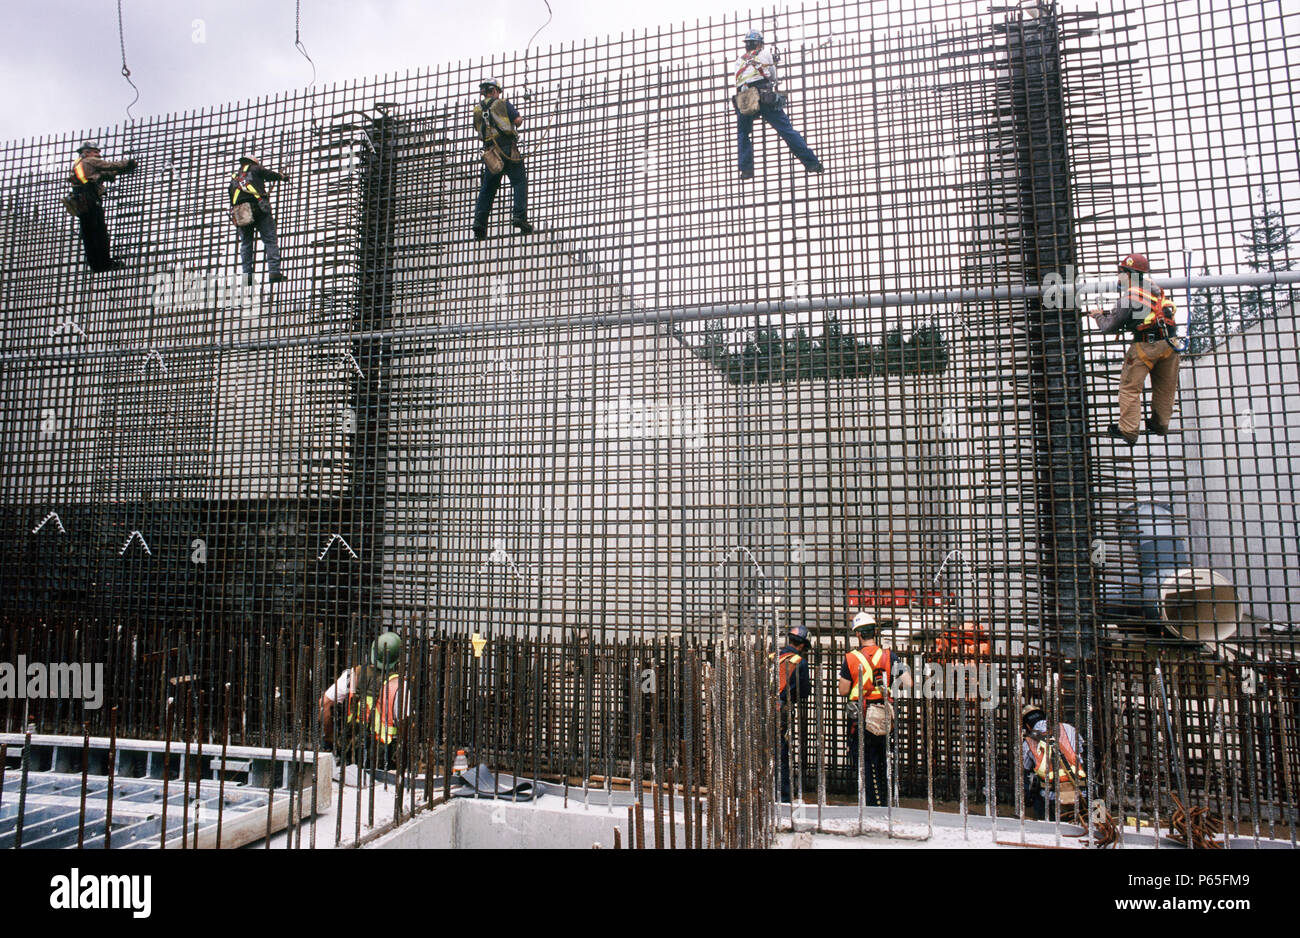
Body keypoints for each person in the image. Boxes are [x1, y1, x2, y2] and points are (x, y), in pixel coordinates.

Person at [1090, 252, 1181, 445]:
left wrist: (1098, 315)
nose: (1118, 278)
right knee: (1165, 387)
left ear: (1129, 274)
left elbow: (1109, 327)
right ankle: (1160, 424)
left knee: (1129, 388)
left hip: (1146, 345)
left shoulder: (1131, 296)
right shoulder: (1155, 291)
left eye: (1121, 273)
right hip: (1171, 344)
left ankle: (1129, 431)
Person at [838, 611, 911, 805]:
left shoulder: (851, 658)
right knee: (882, 761)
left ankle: (871, 804)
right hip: (884, 715)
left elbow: (843, 690)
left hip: (861, 717)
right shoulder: (889, 655)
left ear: (858, 634)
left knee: (864, 762)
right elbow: (909, 682)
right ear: (874, 632)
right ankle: (884, 802)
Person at [732, 30, 822, 179]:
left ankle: (746, 169)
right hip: (764, 97)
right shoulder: (765, 54)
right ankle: (812, 163)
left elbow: (738, 82)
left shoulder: (738, 61)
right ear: (759, 43)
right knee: (786, 131)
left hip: (745, 99)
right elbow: (773, 76)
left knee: (743, 134)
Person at [319, 631, 410, 769]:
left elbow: (324, 703)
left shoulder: (352, 675)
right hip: (382, 758)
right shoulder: (399, 686)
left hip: (351, 751)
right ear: (398, 659)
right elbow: (404, 725)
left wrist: (329, 737)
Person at [472, 78, 532, 240]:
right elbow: (517, 120)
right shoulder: (502, 103)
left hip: (491, 153)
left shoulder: (477, 110)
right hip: (507, 149)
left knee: (488, 189)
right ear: (495, 91)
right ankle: (519, 216)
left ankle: (479, 224)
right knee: (519, 182)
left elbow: (480, 130)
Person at [67, 141, 136, 272]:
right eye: (95, 151)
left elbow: (106, 174)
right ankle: (105, 263)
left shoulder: (79, 165)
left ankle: (96, 265)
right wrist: (128, 163)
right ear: (86, 152)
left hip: (81, 203)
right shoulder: (90, 161)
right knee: (100, 233)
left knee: (89, 234)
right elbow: (109, 166)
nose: (98, 154)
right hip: (90, 199)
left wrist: (119, 171)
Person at [1020, 703, 1086, 821]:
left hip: (1051, 798)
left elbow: (1025, 769)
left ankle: (1044, 820)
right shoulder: (1069, 728)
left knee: (1029, 779)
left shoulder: (1028, 743)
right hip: (1081, 791)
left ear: (1027, 726)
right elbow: (1081, 752)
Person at [229, 155, 289, 284]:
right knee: (270, 240)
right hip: (259, 208)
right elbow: (269, 174)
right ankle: (274, 272)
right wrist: (282, 177)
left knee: (246, 244)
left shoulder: (234, 179)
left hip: (241, 212)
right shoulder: (255, 169)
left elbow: (231, 199)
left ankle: (247, 276)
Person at [771, 624, 812, 802]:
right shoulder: (799, 662)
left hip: (760, 708)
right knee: (781, 752)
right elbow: (804, 692)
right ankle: (784, 796)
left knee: (765, 751)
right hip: (781, 710)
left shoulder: (771, 656)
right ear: (802, 645)